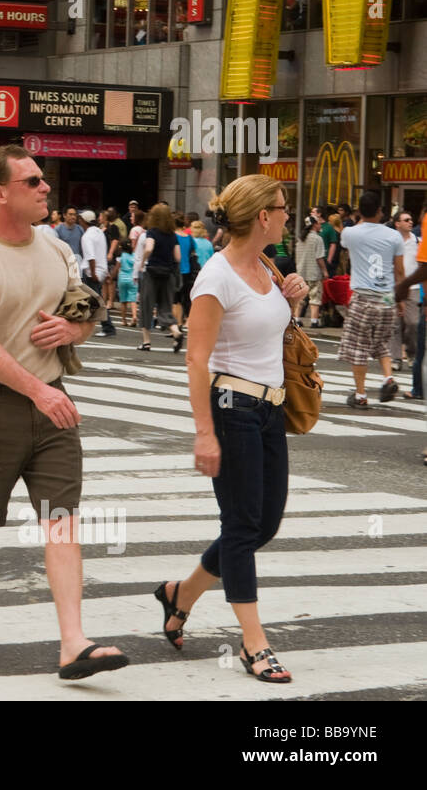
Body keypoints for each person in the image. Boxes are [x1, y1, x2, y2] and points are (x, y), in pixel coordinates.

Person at [0, 145, 127, 677]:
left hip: (52, 401)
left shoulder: (54, 248)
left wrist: (77, 330)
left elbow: (86, 307)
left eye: (43, 180)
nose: (46, 188)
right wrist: (39, 392)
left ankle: (73, 641)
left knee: (62, 519)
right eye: (33, 181)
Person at [157, 174, 308, 683]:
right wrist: (204, 432)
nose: (289, 214)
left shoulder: (267, 267)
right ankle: (254, 643)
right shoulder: (216, 277)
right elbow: (196, 360)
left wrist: (293, 301)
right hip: (232, 408)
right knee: (242, 528)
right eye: (283, 208)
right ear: (263, 216)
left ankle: (182, 593)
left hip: (271, 410)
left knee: (263, 525)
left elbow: (268, 337)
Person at [338, 191, 403, 406]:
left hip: (363, 297)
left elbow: (345, 245)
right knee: (381, 342)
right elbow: (400, 271)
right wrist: (399, 300)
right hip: (387, 299)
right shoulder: (394, 236)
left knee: (358, 347)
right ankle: (388, 377)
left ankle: (360, 395)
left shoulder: (350, 233)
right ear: (380, 211)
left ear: (359, 211)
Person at [138, 203, 182, 352]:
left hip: (152, 273)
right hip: (168, 274)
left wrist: (143, 262)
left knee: (146, 306)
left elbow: (149, 248)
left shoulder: (152, 232)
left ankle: (146, 341)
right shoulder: (173, 235)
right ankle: (176, 332)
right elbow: (178, 257)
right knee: (165, 306)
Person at [78, 210, 116, 337]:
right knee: (95, 300)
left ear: (83, 220)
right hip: (101, 270)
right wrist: (104, 271)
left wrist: (93, 273)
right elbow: (101, 252)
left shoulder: (87, 236)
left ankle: (108, 327)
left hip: (90, 272)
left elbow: (91, 257)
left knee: (96, 300)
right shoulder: (100, 232)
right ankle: (100, 325)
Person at [391, 210, 420, 371]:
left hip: (412, 287)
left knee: (413, 323)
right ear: (397, 224)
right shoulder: (390, 241)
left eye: (411, 220)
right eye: (406, 220)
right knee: (394, 324)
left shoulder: (418, 241)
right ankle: (395, 358)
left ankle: (411, 352)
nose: (410, 222)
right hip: (392, 287)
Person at [293, 214, 326, 328]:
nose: (319, 225)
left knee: (301, 298)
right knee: (315, 298)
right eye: (318, 223)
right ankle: (314, 321)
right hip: (314, 273)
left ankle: (296, 319)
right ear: (314, 225)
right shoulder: (318, 239)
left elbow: (296, 257)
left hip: (301, 272)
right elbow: (319, 258)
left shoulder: (300, 240)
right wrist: (325, 271)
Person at [116, 238, 138, 326]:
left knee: (123, 300)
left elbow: (117, 267)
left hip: (122, 279)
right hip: (132, 278)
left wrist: (111, 276)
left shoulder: (121, 256)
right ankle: (134, 316)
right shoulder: (134, 255)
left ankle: (124, 320)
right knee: (133, 299)